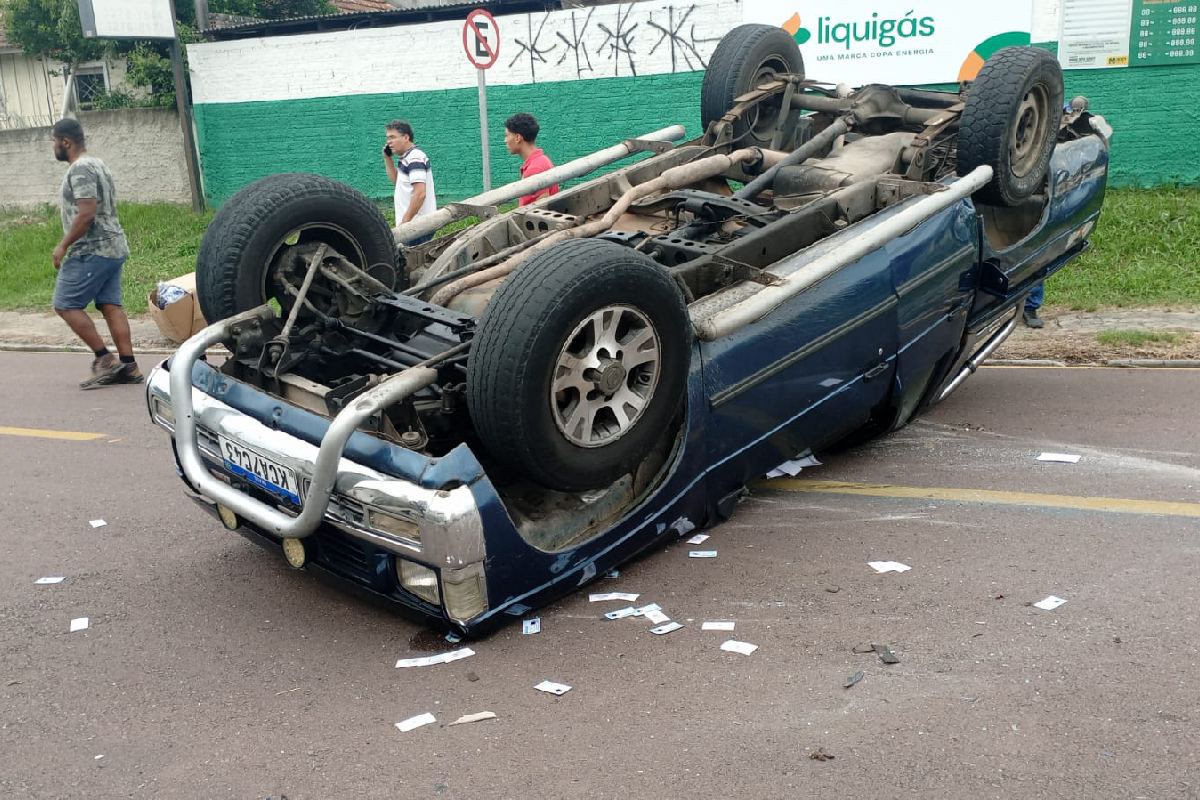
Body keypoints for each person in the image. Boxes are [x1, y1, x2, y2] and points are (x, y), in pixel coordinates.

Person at [49, 118, 142, 389]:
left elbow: (87, 213)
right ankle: (129, 366)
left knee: (65, 304)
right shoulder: (98, 163)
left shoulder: (80, 169)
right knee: (110, 305)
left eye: (54, 141)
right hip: (113, 246)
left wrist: (63, 244)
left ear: (66, 142)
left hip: (93, 250)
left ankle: (105, 358)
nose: (53, 147)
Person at [383, 120, 437, 244]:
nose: (388, 142)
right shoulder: (406, 158)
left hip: (416, 227)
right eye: (387, 138)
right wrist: (388, 159)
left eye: (392, 137)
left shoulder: (414, 158)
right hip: (412, 226)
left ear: (406, 137)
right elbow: (398, 182)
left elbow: (420, 194)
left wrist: (405, 223)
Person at [504, 112, 559, 206]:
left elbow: (542, 211)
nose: (505, 140)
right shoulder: (543, 160)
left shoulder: (534, 169)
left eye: (507, 135)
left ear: (518, 138)